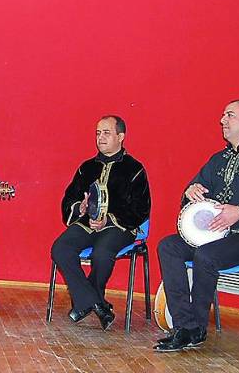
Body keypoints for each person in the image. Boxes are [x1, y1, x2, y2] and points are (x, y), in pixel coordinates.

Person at [154, 100, 239, 352]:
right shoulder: (218, 160)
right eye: (222, 115)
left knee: (206, 255)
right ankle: (184, 326)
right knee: (169, 246)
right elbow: (194, 190)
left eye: (229, 115)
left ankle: (195, 328)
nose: (222, 120)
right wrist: (191, 191)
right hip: (219, 236)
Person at [51, 115, 151, 330]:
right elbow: (69, 199)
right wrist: (81, 208)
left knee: (102, 252)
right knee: (60, 248)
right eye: (98, 133)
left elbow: (141, 209)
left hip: (119, 226)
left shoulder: (134, 169)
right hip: (87, 224)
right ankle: (98, 304)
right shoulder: (86, 168)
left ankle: (86, 302)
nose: (100, 137)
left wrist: (109, 219)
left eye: (106, 133)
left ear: (120, 136)